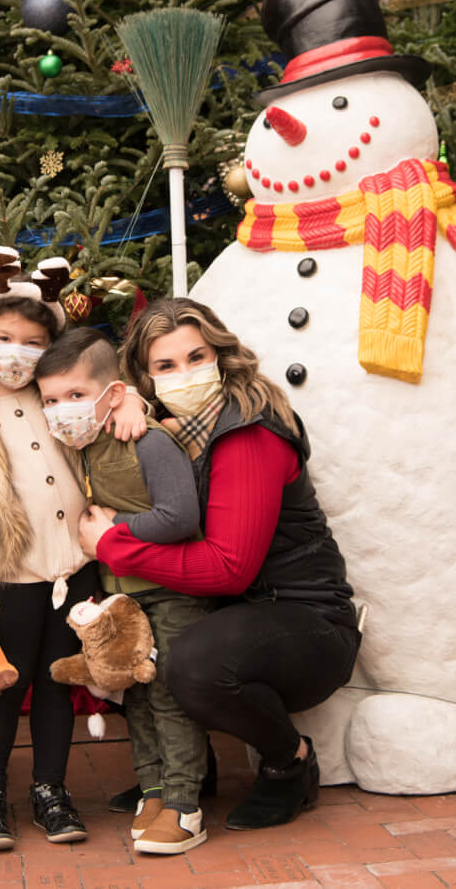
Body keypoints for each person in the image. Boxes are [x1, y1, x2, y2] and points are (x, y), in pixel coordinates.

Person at [78, 297, 360, 831]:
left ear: (221, 356)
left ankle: (290, 764)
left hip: (303, 623)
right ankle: (187, 770)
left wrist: (112, 544)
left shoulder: (247, 432)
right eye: (165, 366)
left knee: (194, 664)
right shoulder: (168, 426)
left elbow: (230, 569)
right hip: (231, 615)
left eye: (196, 357)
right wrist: (131, 400)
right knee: (125, 640)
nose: (184, 374)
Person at [0, 250, 144, 850]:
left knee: (56, 680)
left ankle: (51, 788)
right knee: (4, 681)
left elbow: (109, 404)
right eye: (5, 337)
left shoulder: (60, 392)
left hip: (76, 561)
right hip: (13, 568)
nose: (18, 349)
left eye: (34, 339)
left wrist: (133, 402)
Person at [34, 328, 212, 856]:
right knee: (134, 696)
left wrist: (118, 531)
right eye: (50, 400)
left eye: (75, 396)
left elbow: (180, 517)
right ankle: (153, 791)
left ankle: (185, 804)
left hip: (169, 592)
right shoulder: (79, 447)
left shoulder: (147, 440)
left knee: (169, 694)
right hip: (119, 601)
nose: (62, 410)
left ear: (111, 394)